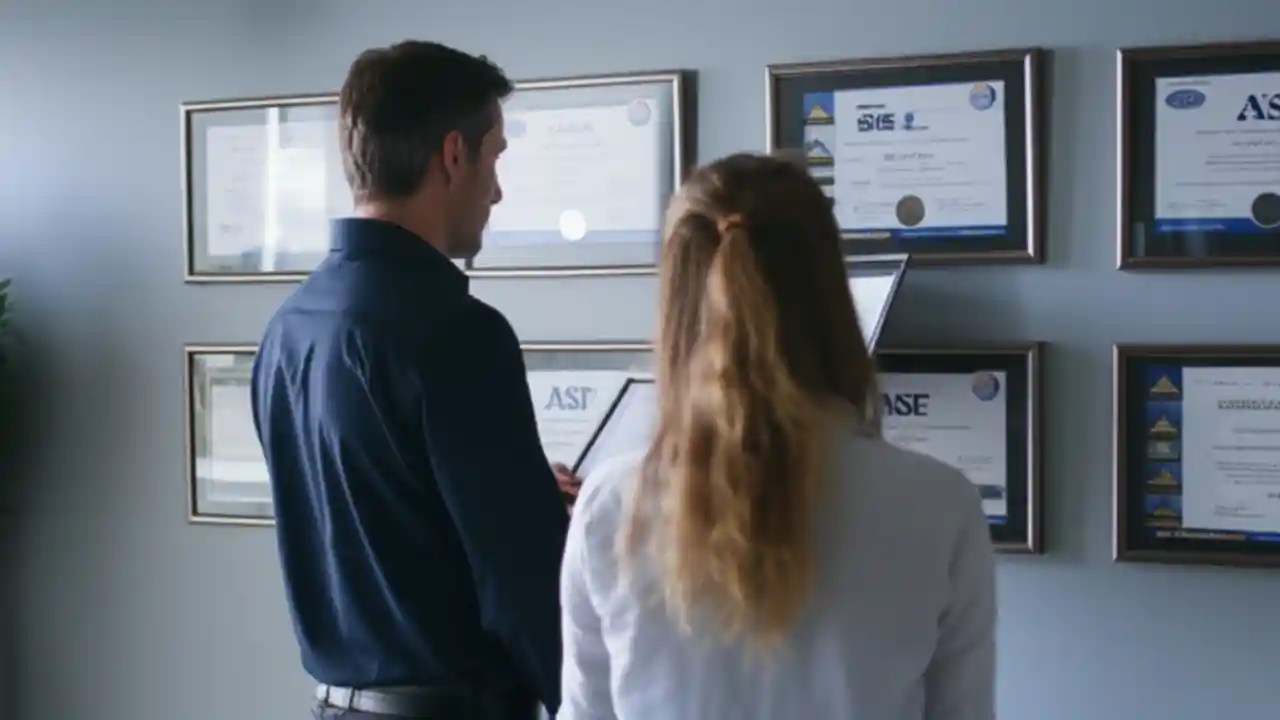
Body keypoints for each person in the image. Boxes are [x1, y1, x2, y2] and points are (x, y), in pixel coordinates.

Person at [557, 153, 998, 719]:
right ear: (830, 296)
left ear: (676, 304)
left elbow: (586, 711)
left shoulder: (613, 504)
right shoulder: (938, 503)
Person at [251, 40, 576, 719]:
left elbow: (377, 512)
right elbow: (518, 581)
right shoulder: (458, 332)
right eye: (495, 157)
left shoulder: (289, 328)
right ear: (454, 155)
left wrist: (518, 490)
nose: (497, 190)